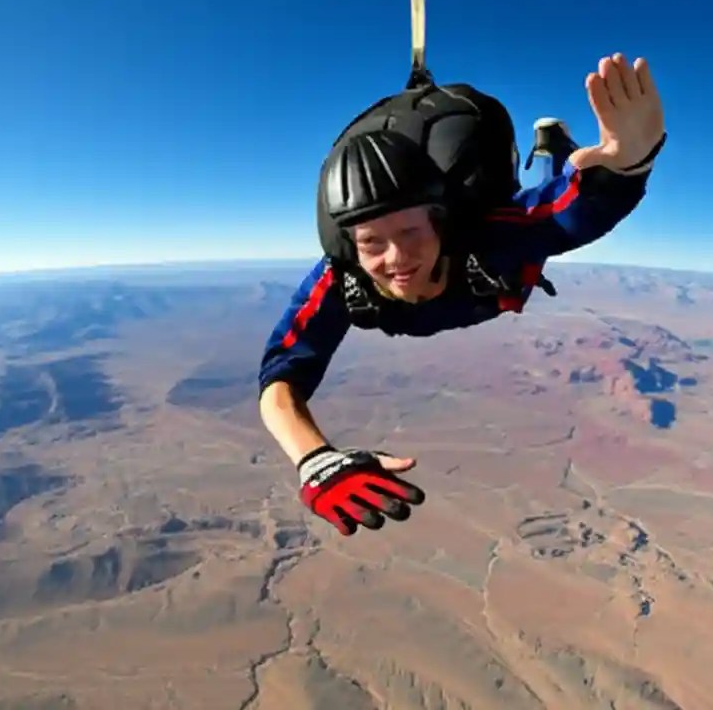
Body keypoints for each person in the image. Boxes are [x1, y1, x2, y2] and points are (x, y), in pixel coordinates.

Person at [257, 53, 667, 537]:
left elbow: (575, 213)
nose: (396, 259)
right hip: (474, 287)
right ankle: (555, 149)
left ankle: (558, 150)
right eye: (372, 242)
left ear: (438, 222)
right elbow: (280, 380)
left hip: (499, 274)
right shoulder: (341, 279)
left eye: (411, 231)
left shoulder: (486, 236)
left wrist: (628, 162)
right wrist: (315, 458)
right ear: (349, 244)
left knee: (548, 204)